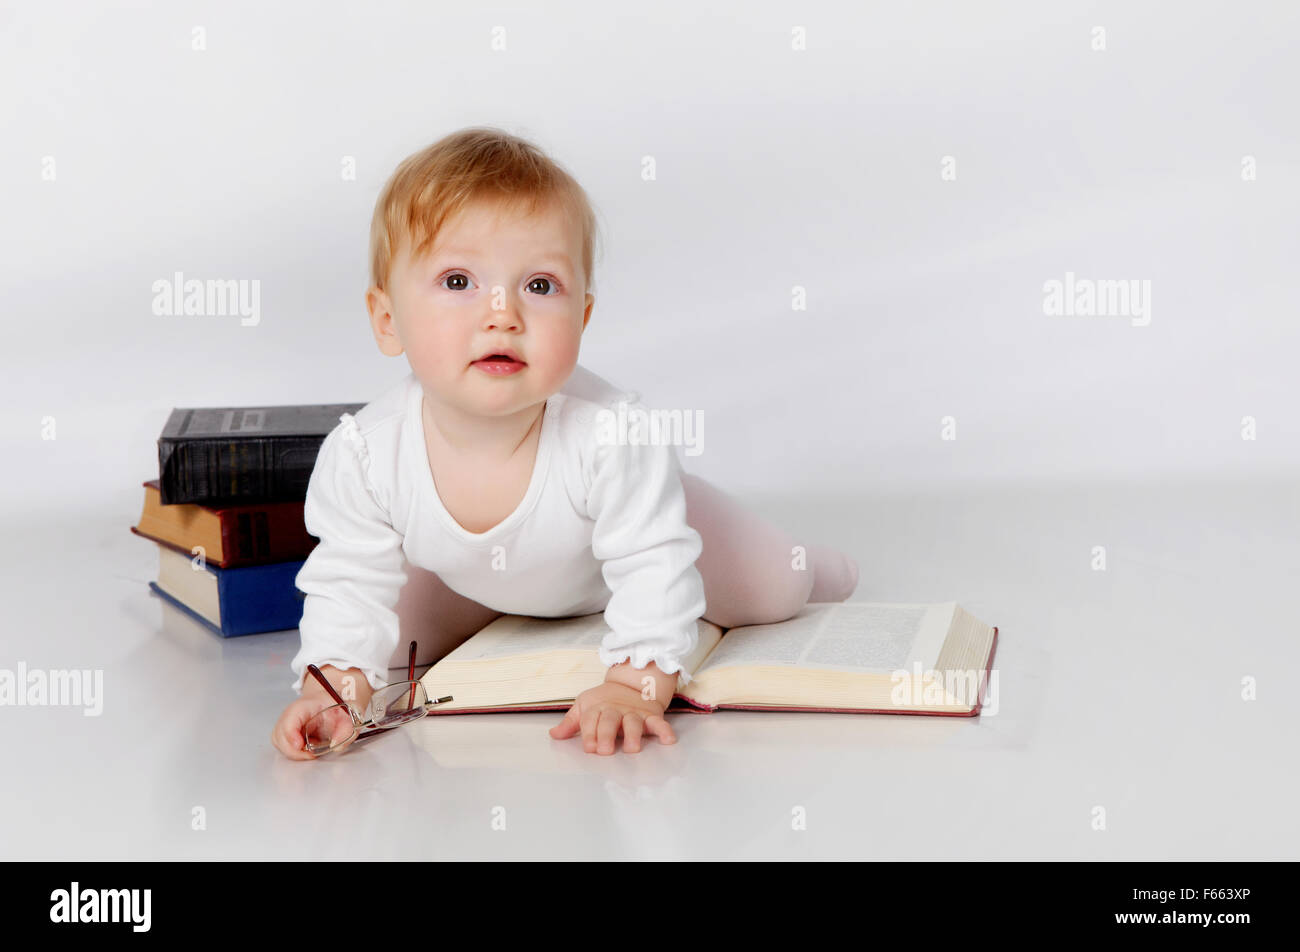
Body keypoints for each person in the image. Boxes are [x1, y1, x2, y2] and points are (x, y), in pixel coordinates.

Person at [270, 127, 858, 760]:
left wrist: (636, 684)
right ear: (388, 321)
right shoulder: (364, 453)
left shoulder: (608, 432)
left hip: (631, 545)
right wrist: (332, 689)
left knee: (772, 586)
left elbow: (654, 561)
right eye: (459, 281)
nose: (502, 314)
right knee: (383, 653)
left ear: (582, 317)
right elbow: (350, 581)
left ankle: (813, 562)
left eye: (540, 286)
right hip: (472, 581)